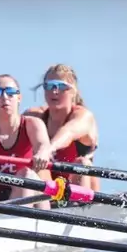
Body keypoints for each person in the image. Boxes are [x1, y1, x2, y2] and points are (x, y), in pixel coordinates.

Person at [0, 74, 54, 208]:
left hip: (27, 193)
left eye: (10, 93)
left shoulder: (32, 124)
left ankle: (24, 223)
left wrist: (42, 154)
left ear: (19, 98)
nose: (4, 98)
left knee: (27, 175)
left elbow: (43, 145)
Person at [25, 63, 100, 191]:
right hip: (47, 187)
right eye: (49, 86)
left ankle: (80, 206)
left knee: (82, 163)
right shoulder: (34, 116)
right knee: (32, 167)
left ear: (74, 91)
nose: (54, 91)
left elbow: (68, 132)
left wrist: (48, 149)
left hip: (78, 187)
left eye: (61, 86)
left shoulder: (84, 116)